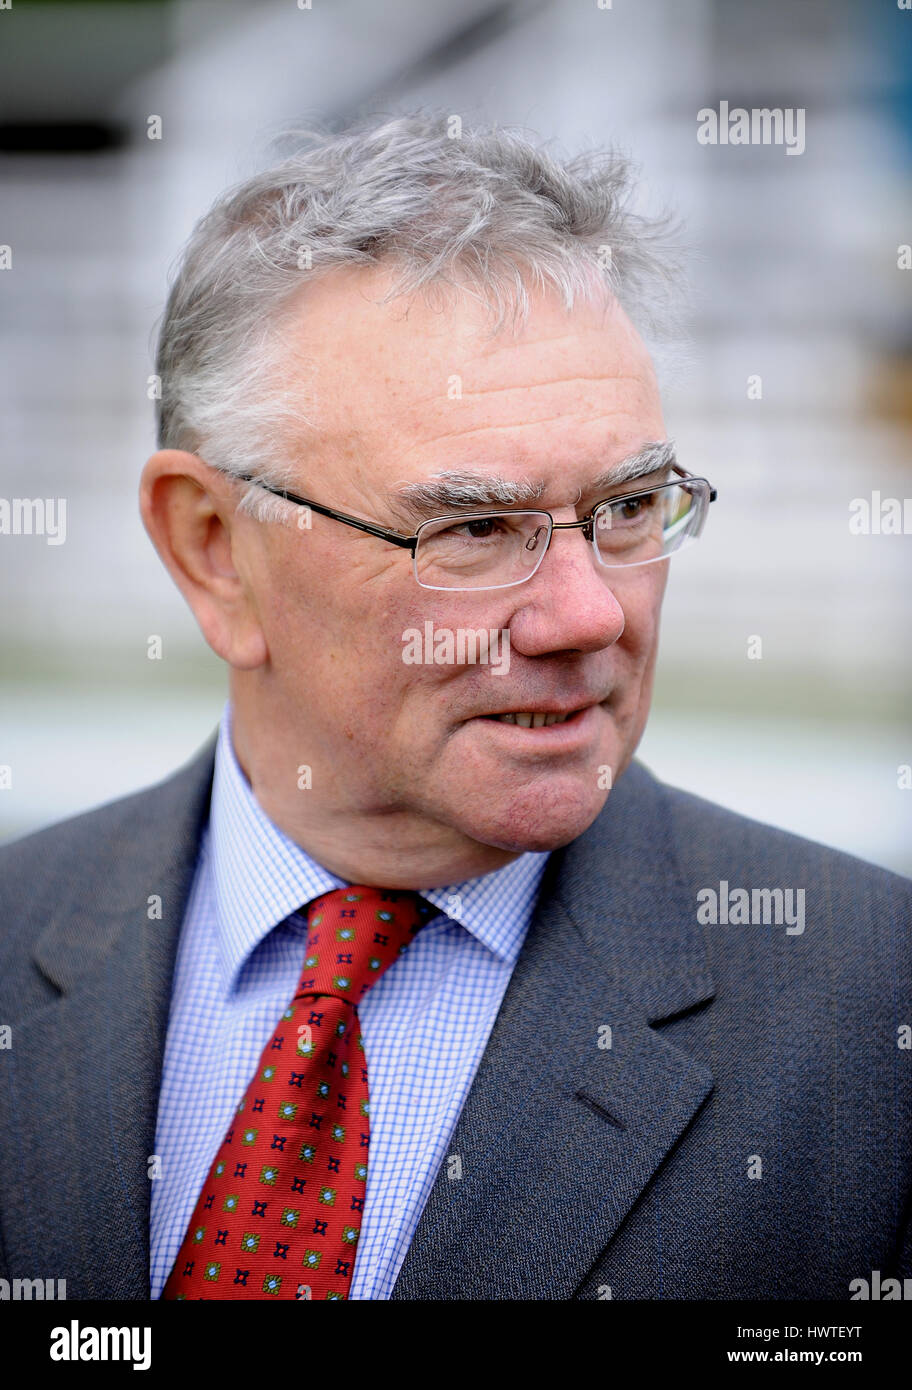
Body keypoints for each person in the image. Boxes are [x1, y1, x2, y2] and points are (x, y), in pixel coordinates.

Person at [1, 112, 909, 1302]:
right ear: (215, 548)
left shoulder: (873, 1018)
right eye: (478, 529)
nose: (588, 614)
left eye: (632, 508)